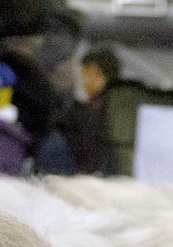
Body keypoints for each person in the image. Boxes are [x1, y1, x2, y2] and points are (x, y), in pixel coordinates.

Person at [36, 44, 122, 176]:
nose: (82, 78)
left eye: (84, 72)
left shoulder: (90, 113)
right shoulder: (119, 111)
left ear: (94, 71)